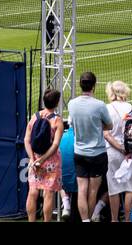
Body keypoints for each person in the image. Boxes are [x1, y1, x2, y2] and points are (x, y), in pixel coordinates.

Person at [66, 72, 114, 222]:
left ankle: (85, 220)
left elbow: (71, 123)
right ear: (93, 86)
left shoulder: (72, 104)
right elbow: (109, 125)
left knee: (82, 189)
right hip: (97, 153)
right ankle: (87, 220)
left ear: (81, 85)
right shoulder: (99, 105)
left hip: (79, 152)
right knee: (92, 191)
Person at [104, 81, 132, 221]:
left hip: (112, 152)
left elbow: (106, 134)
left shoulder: (106, 108)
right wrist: (130, 149)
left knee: (114, 188)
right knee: (130, 188)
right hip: (131, 153)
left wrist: (120, 148)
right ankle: (128, 220)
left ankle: (114, 219)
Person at [23, 90, 65, 223]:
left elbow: (26, 140)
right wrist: (43, 159)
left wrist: (33, 159)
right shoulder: (57, 121)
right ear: (57, 103)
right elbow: (55, 145)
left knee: (32, 192)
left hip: (35, 160)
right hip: (51, 161)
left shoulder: (35, 117)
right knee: (48, 194)